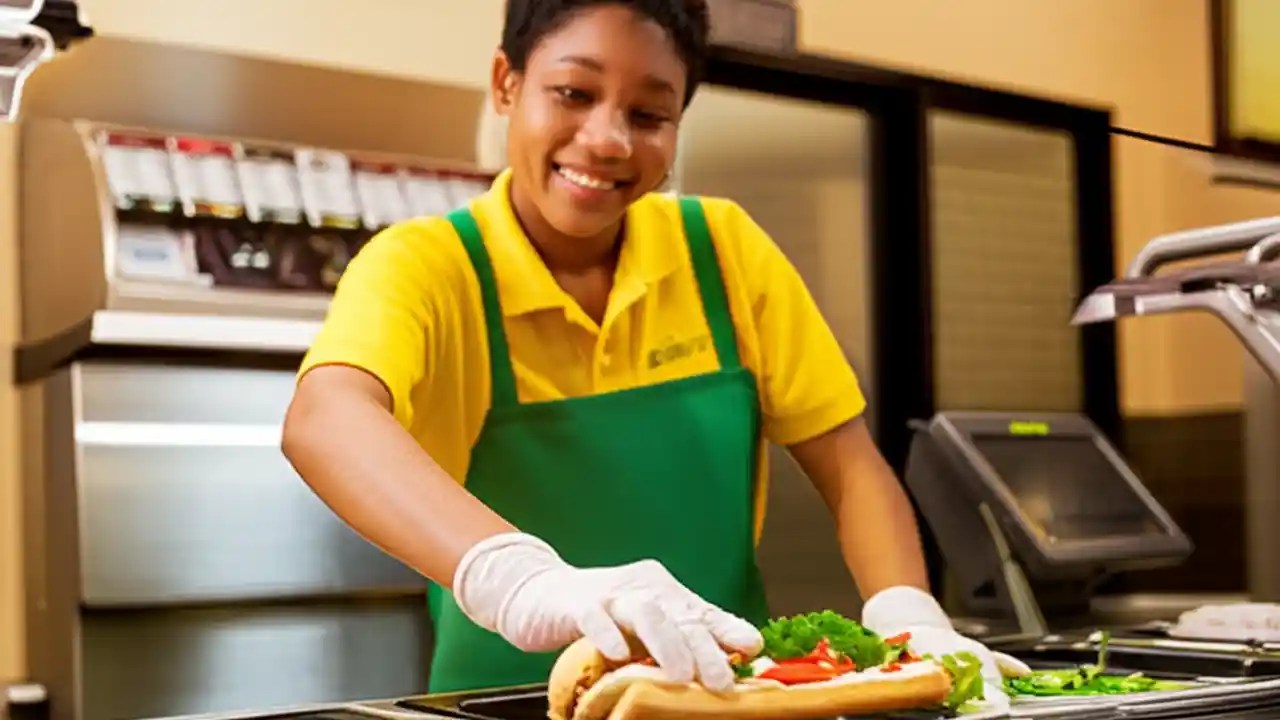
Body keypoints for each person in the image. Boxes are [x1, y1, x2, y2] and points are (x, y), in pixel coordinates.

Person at [282, 0, 1021, 703]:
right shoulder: (428, 266)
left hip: (724, 695)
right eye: (573, 93)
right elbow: (326, 419)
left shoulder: (722, 250)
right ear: (507, 84)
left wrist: (909, 615)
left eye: (649, 114)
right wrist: (522, 583)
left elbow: (851, 466)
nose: (608, 140)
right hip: (504, 702)